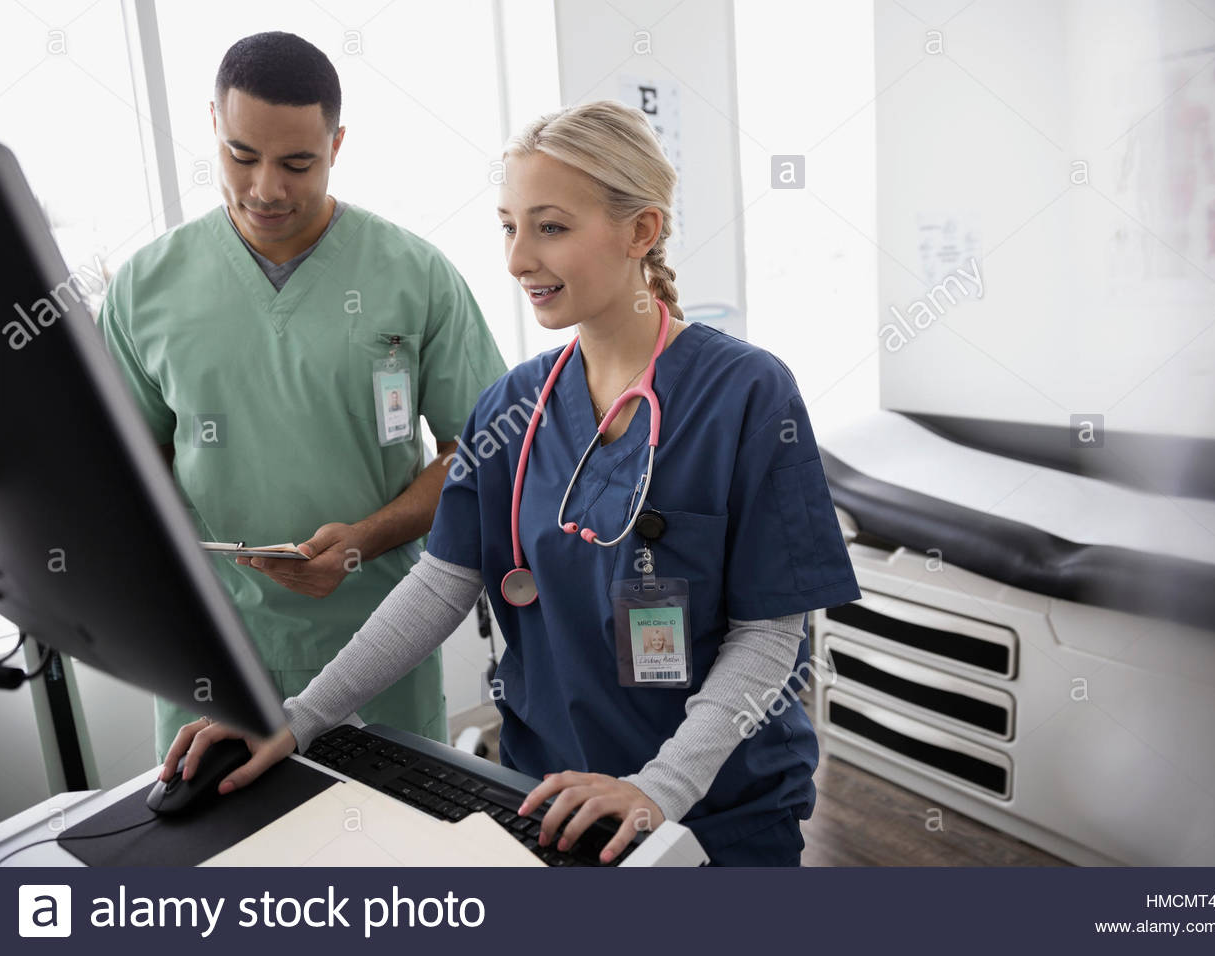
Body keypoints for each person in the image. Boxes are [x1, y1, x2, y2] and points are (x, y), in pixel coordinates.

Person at [162, 101, 861, 867]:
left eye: (551, 227)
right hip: (552, 799)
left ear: (641, 231)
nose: (518, 258)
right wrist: (296, 719)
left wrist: (659, 788)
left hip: (718, 809)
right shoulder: (513, 409)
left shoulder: (746, 394)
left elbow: (770, 634)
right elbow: (439, 588)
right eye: (508, 226)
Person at [98, 32, 507, 761]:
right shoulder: (145, 288)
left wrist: (366, 538)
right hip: (215, 652)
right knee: (224, 857)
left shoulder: (414, 276)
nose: (266, 189)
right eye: (240, 156)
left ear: (337, 143)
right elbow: (127, 461)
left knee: (386, 860)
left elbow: (482, 454)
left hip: (377, 641)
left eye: (297, 163)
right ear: (212, 129)